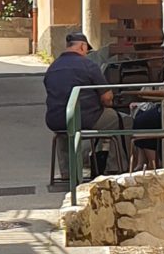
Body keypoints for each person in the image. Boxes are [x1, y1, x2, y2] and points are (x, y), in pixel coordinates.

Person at [44, 31, 123, 167]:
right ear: (82, 46)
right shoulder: (88, 65)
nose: (87, 53)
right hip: (86, 117)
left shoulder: (52, 68)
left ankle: (66, 174)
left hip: (55, 119)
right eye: (86, 49)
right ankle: (116, 167)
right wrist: (107, 104)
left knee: (64, 130)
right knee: (121, 120)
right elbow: (107, 96)